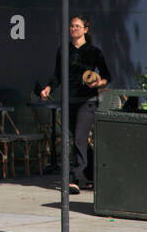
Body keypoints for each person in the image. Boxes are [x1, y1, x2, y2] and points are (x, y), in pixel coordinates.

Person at [39, 15, 110, 193]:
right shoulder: (63, 50)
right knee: (79, 141)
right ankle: (93, 174)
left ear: (85, 29)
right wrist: (49, 88)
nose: (74, 29)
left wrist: (98, 83)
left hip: (88, 101)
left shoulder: (94, 52)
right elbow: (57, 75)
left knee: (79, 138)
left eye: (77, 26)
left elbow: (107, 76)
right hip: (69, 99)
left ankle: (76, 178)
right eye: (72, 26)